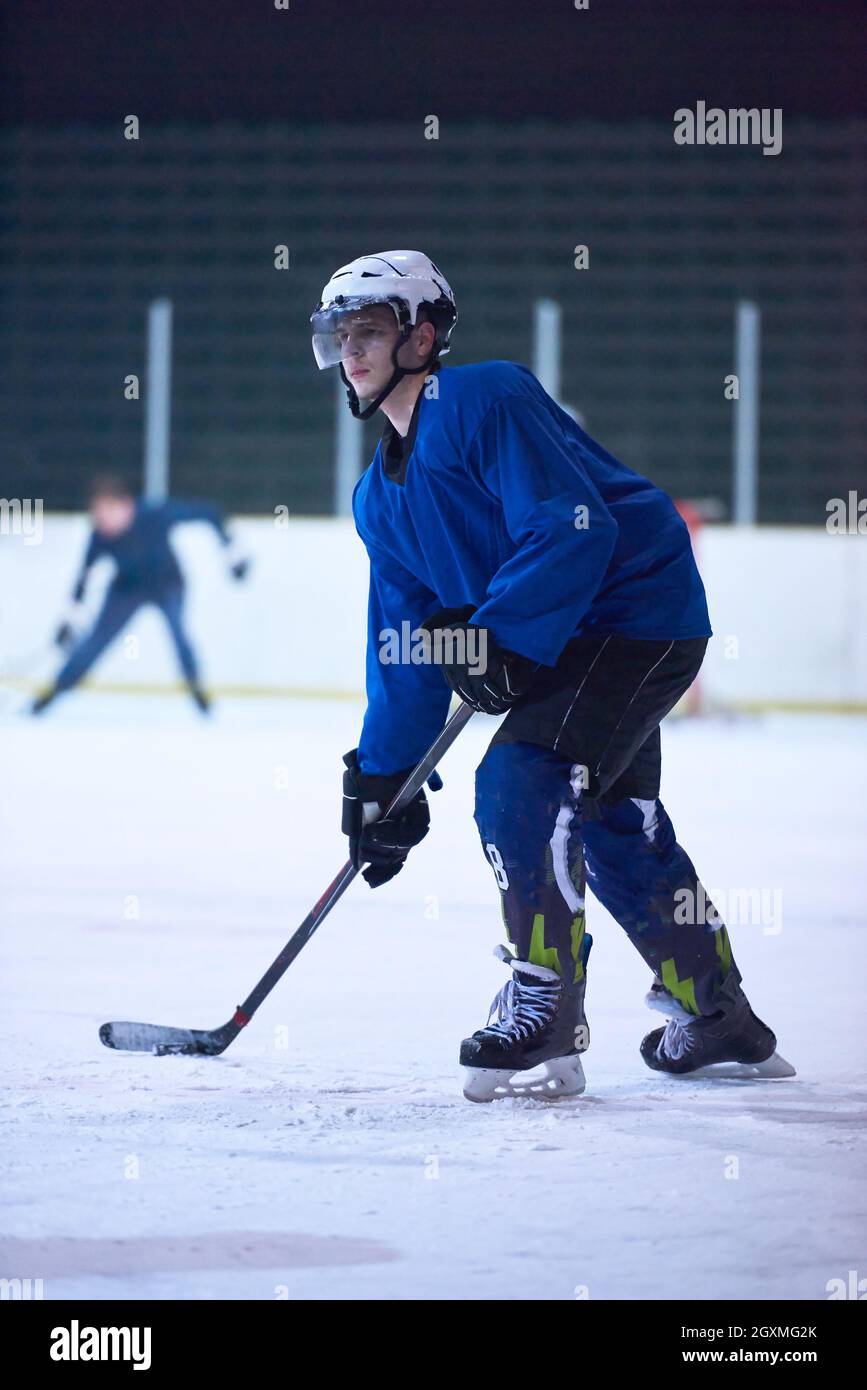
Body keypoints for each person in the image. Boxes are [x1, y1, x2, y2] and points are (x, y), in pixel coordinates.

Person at [310, 250, 793, 1102]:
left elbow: (574, 527)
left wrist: (500, 637)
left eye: (370, 332)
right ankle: (719, 1017)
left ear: (421, 336)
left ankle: (545, 1006)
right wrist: (384, 778)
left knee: (520, 777)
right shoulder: (375, 498)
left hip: (631, 617)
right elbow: (405, 641)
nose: (351, 352)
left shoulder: (481, 397)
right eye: (339, 336)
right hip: (560, 636)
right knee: (609, 818)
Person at [32, 475, 249, 716]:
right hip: (127, 589)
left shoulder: (153, 515)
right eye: (98, 515)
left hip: (167, 584)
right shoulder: (100, 534)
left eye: (107, 513)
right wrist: (71, 618)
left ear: (125, 505)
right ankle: (47, 699)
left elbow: (209, 512)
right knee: (93, 644)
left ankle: (200, 698)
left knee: (179, 636)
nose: (103, 521)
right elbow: (85, 574)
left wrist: (232, 552)